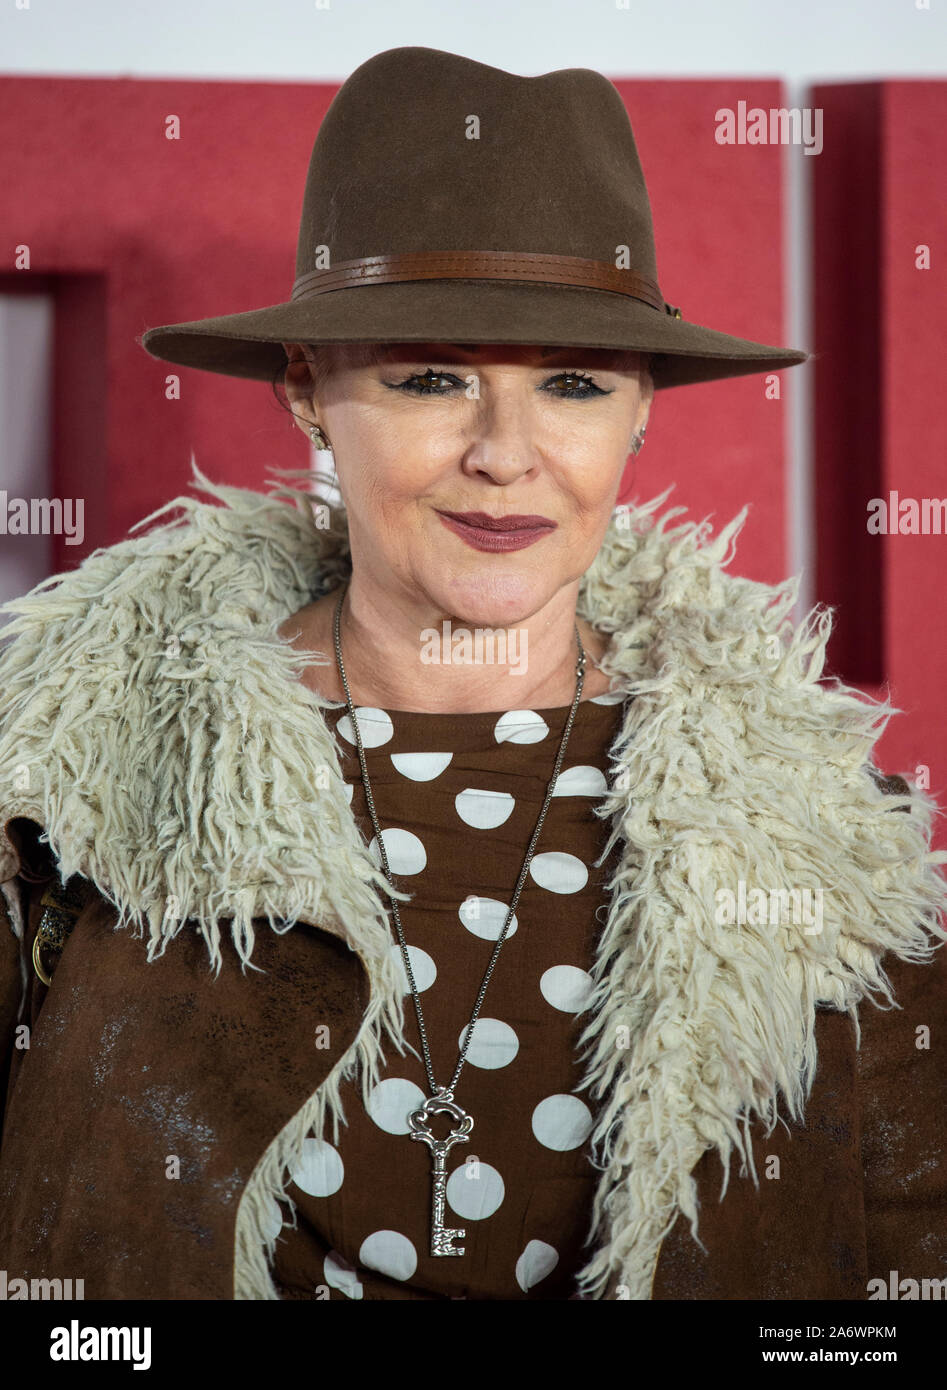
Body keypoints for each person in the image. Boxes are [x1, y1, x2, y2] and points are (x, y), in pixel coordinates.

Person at [0, 45, 944, 1303]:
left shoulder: (824, 840)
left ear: (640, 408)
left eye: (570, 383)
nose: (504, 455)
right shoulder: (58, 790)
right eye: (430, 378)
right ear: (306, 392)